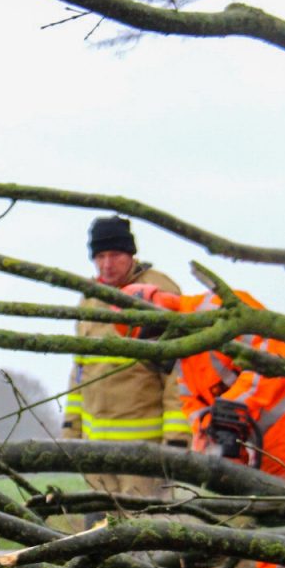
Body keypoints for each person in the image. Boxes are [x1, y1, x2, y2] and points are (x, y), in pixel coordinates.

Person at [129, 283, 285, 568]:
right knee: (269, 518)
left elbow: (267, 354)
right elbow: (193, 407)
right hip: (264, 436)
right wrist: (209, 442)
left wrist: (230, 407)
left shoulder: (218, 309)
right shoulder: (185, 364)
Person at [61, 216, 189, 510]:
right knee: (99, 536)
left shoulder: (158, 294)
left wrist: (177, 439)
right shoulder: (89, 300)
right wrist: (71, 431)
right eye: (100, 256)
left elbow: (180, 374)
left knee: (145, 537)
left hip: (145, 452)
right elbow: (80, 371)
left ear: (131, 254)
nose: (107, 264)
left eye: (115, 255)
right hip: (96, 451)